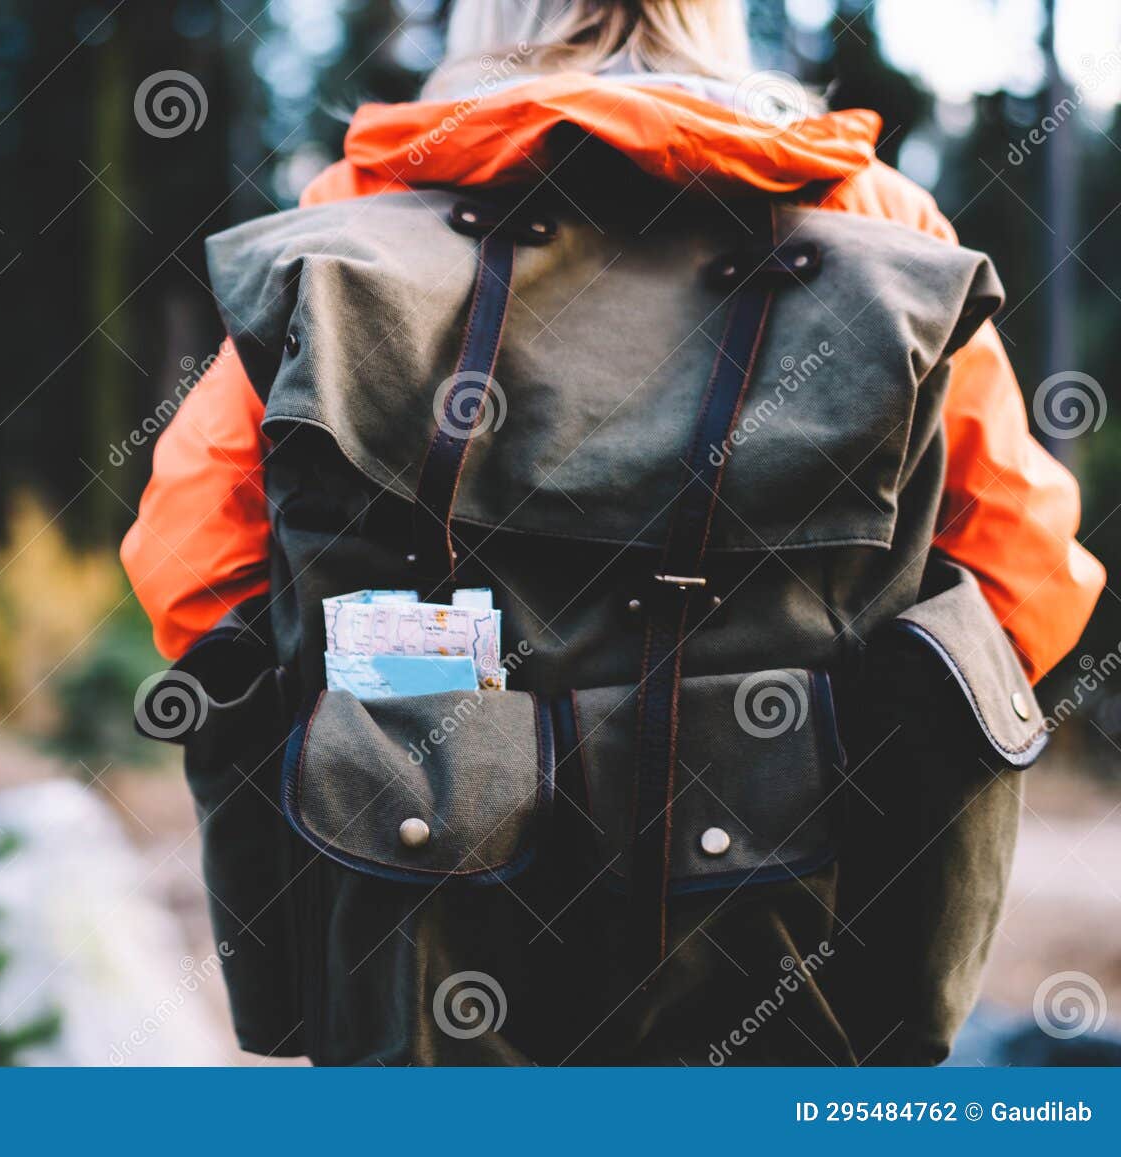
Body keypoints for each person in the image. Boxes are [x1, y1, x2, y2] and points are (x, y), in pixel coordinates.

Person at [121, 0, 1104, 1066]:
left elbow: (190, 554)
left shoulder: (358, 220)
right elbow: (1026, 563)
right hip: (791, 916)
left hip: (418, 909)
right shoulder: (878, 223)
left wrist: (380, 682)